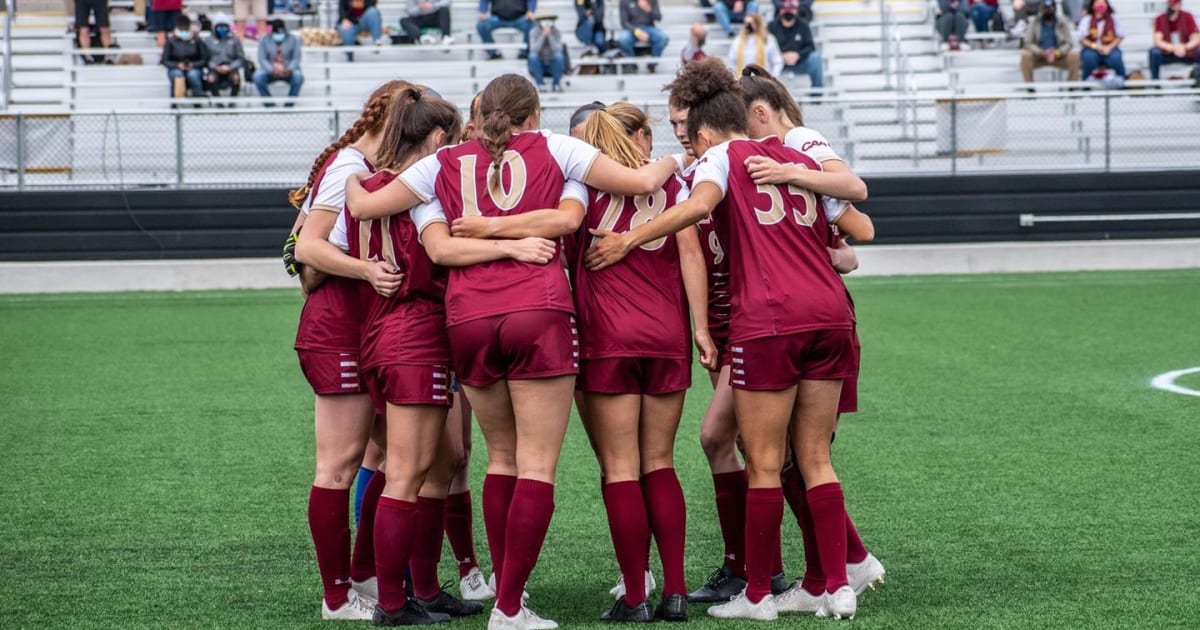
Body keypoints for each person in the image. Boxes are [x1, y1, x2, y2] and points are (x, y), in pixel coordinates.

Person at [345, 73, 683, 630]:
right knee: (536, 466)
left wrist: (351, 176)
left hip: (468, 318)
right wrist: (674, 161)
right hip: (539, 311)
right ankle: (508, 606)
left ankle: (500, 593)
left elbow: (366, 206)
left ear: (480, 116)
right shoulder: (558, 147)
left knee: (500, 458)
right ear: (534, 114)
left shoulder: (445, 160)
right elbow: (635, 182)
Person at [585, 58, 864, 622]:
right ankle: (835, 585)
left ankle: (758, 595)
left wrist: (628, 240)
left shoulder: (720, 157)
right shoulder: (797, 155)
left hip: (770, 318)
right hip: (832, 315)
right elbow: (857, 218)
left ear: (707, 133)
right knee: (814, 457)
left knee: (763, 460)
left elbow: (696, 207)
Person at [346, 88, 548, 626]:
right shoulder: (426, 184)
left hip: (384, 331)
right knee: (406, 473)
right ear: (437, 139)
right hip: (415, 334)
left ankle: (423, 589)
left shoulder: (369, 184)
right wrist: (512, 245)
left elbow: (334, 232)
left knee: (431, 465)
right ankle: (392, 601)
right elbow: (441, 250)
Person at [737, 64, 885, 614]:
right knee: (794, 453)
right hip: (813, 316)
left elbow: (858, 203)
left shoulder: (797, 140)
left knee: (792, 453)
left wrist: (789, 173)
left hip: (794, 318)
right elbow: (853, 239)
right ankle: (838, 571)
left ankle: (832, 570)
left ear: (760, 112)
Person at [289, 80, 411, 622]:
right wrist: (365, 270)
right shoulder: (347, 167)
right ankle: (336, 598)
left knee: (399, 456)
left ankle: (362, 574)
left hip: (367, 327)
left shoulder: (363, 165)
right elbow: (307, 247)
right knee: (338, 466)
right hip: (338, 327)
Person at [1020, 0, 1081, 83]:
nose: (1048, 10)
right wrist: (1041, 52)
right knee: (1025, 56)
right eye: (1046, 8)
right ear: (1042, 10)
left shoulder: (1062, 22)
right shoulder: (1034, 22)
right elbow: (1027, 42)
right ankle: (1029, 87)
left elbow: (1069, 43)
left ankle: (1071, 87)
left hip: (1058, 56)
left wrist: (1058, 53)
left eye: (1050, 8)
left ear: (1055, 9)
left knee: (1074, 56)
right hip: (1039, 56)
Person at [769, 0, 822, 87]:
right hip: (778, 62)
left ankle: (817, 93)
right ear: (780, 10)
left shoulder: (803, 25)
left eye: (791, 9)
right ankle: (767, 90)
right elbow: (766, 47)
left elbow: (810, 46)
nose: (788, 11)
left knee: (815, 58)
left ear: (796, 10)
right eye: (785, 9)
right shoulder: (772, 26)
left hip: (799, 62)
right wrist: (781, 56)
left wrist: (798, 55)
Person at [254, 19, 305, 105]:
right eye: (276, 33)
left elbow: (296, 58)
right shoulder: (264, 40)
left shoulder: (293, 39)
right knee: (258, 77)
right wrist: (272, 69)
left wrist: (289, 69)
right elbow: (262, 59)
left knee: (298, 77)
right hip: (270, 70)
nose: (279, 35)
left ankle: (289, 105)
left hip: (288, 70)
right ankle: (270, 105)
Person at [161, 14, 208, 100]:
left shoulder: (197, 40)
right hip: (176, 68)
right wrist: (177, 65)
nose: (183, 31)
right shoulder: (171, 41)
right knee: (177, 74)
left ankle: (198, 99)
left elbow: (204, 59)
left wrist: (193, 65)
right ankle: (176, 100)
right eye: (181, 29)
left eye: (185, 29)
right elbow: (164, 60)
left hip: (194, 67)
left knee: (193, 75)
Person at [1150, 0, 1200, 79]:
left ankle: (1197, 78)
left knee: (1199, 51)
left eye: (1175, 4)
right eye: (1172, 5)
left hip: (1185, 52)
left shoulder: (1187, 16)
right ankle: (1155, 81)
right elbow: (1157, 41)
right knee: (1154, 53)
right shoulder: (1160, 18)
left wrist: (1185, 47)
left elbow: (1196, 38)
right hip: (1167, 53)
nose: (1173, 7)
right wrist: (1173, 48)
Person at [1078, 0, 1126, 79]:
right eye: (1098, 3)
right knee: (1088, 57)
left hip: (1110, 48)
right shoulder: (1087, 19)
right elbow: (1082, 39)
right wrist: (1096, 47)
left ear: (1107, 5)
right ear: (1093, 5)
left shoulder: (1114, 18)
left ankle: (1122, 81)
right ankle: (1086, 83)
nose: (1100, 5)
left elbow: (1120, 37)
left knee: (1116, 57)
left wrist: (1109, 47)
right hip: (1092, 48)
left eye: (1103, 3)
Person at [205, 13, 247, 99]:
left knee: (236, 78)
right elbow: (206, 59)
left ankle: (232, 102)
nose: (222, 29)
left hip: (231, 67)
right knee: (211, 78)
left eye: (224, 27)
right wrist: (215, 67)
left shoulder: (235, 39)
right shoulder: (208, 40)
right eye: (219, 27)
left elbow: (241, 58)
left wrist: (231, 67)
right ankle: (218, 102)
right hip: (215, 68)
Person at [528, 14, 567, 92]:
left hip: (553, 64)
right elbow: (534, 49)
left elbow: (558, 49)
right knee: (532, 56)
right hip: (539, 64)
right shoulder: (534, 31)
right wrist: (543, 36)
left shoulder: (556, 31)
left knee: (559, 56)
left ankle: (556, 83)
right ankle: (540, 84)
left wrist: (549, 36)